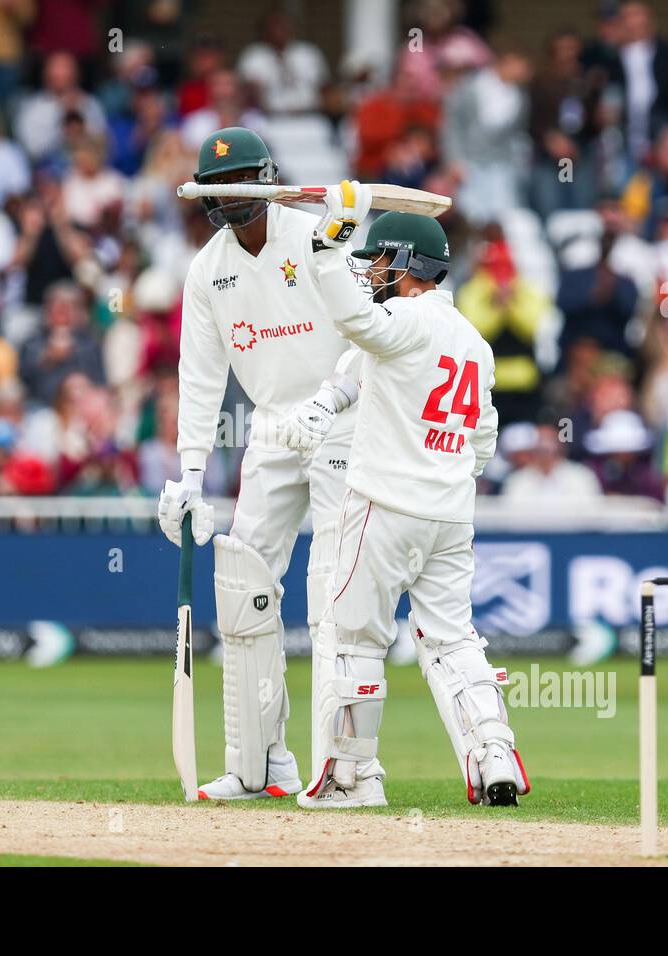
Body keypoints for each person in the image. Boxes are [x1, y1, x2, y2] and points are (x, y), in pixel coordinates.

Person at [278, 203, 529, 808]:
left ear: (411, 264)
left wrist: (327, 249)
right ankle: (495, 754)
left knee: (356, 638)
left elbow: (358, 323)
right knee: (452, 640)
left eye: (382, 259)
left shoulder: (402, 318)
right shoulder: (474, 342)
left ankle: (349, 778)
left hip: (383, 505)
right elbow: (483, 441)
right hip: (450, 514)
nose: (373, 270)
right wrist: (327, 406)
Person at [155, 127, 362, 801]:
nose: (231, 199)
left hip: (339, 419)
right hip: (272, 427)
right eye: (217, 189)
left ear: (267, 179)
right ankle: (260, 763)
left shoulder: (316, 234)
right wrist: (189, 475)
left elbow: (369, 332)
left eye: (240, 182)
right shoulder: (205, 269)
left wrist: (332, 402)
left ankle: (346, 767)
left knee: (333, 588)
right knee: (242, 580)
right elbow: (200, 375)